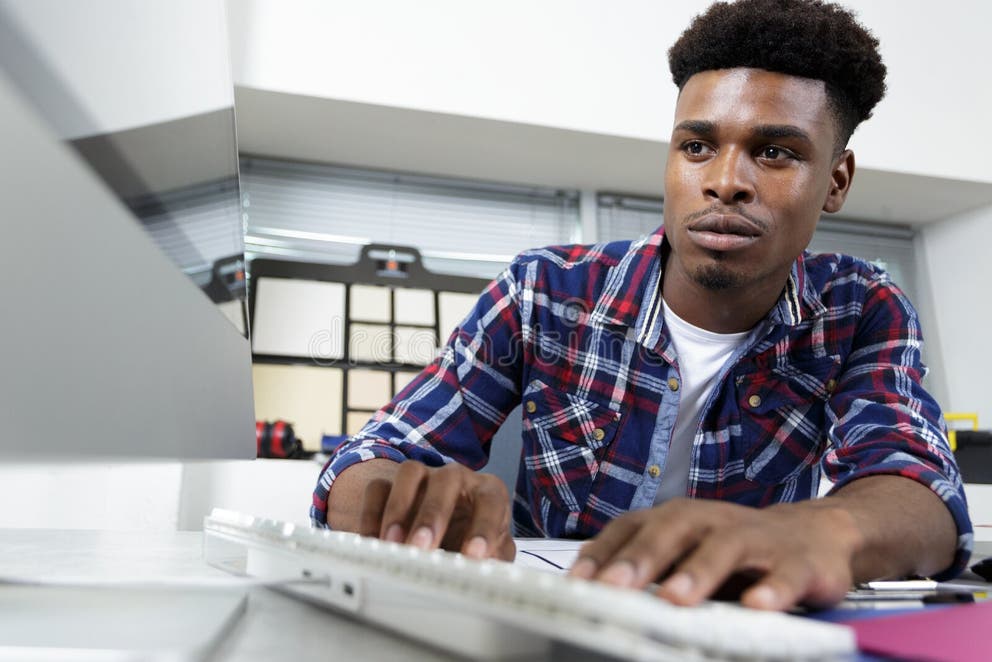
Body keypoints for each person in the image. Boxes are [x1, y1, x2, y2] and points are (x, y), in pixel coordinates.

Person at [311, 0, 972, 611]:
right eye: (697, 146)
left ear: (836, 181)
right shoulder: (543, 291)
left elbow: (922, 491)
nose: (724, 181)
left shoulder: (860, 310)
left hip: (739, 626)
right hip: (552, 618)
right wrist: (408, 502)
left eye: (775, 153)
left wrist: (820, 532)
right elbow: (364, 462)